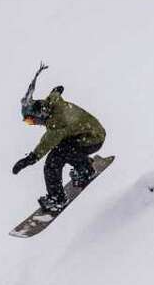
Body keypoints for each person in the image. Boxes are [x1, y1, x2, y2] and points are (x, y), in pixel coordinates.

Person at [12, 83, 106, 213]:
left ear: (39, 114)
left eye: (31, 121)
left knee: (53, 161)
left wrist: (30, 159)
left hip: (92, 139)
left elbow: (47, 143)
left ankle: (57, 199)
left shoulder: (56, 121)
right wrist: (56, 91)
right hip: (87, 134)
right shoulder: (50, 105)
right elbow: (54, 95)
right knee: (63, 150)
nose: (33, 124)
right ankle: (85, 168)